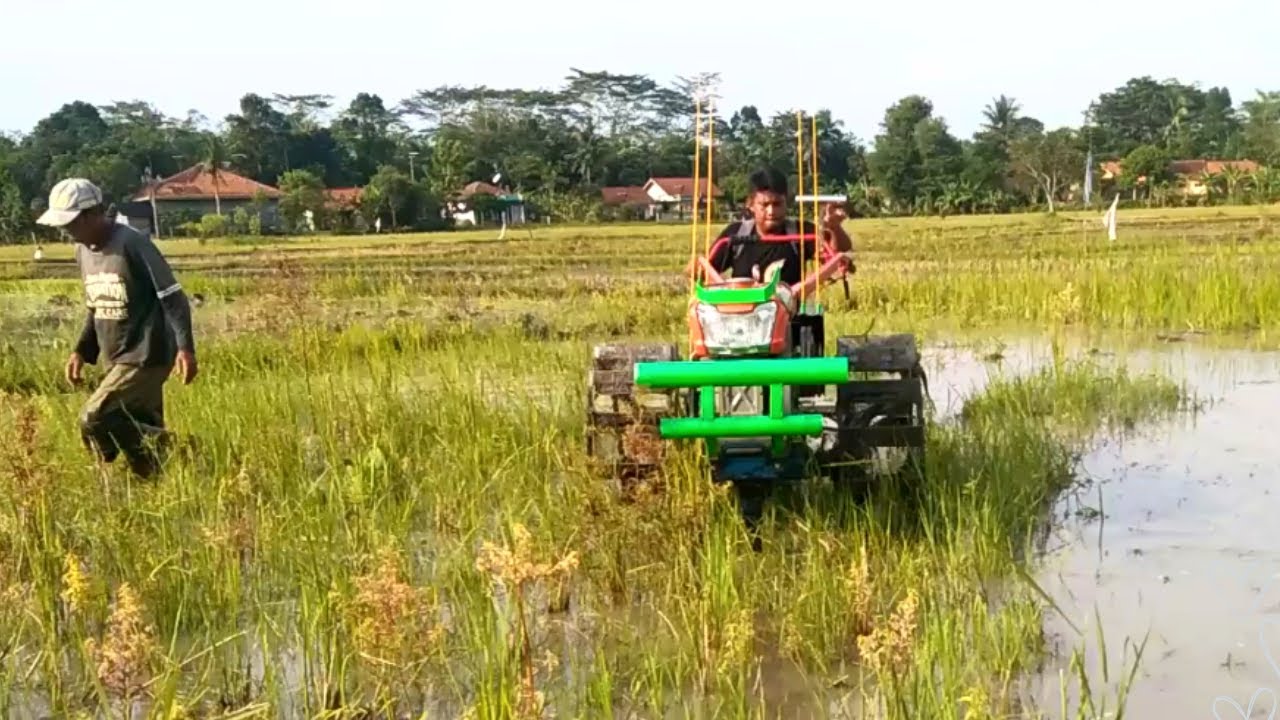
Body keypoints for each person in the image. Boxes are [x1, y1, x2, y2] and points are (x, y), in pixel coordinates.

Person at [36, 178, 198, 478]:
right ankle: (154, 479)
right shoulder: (82, 251)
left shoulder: (132, 244)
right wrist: (82, 351)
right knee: (137, 434)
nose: (66, 230)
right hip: (115, 355)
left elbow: (172, 296)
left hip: (147, 353)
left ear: (92, 214)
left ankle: (173, 446)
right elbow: (96, 305)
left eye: (71, 223)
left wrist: (185, 349)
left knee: (93, 418)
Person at [696, 167, 854, 286]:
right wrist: (720, 286)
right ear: (750, 204)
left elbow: (836, 258)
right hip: (742, 315)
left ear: (787, 202)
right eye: (764, 205)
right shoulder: (736, 234)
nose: (771, 212)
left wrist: (834, 228)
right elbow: (700, 271)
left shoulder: (800, 231)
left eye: (777, 204)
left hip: (789, 314)